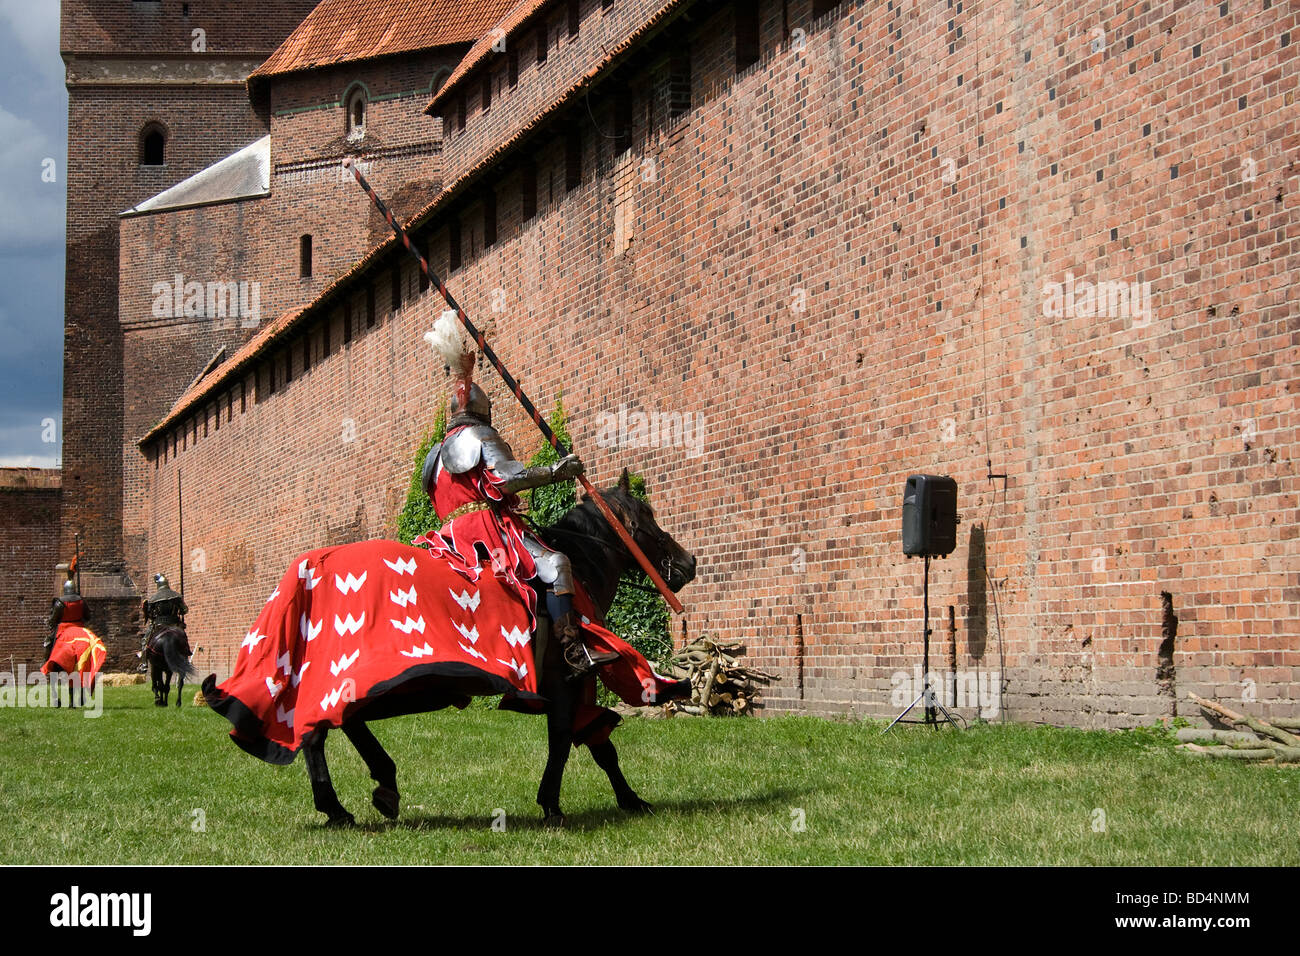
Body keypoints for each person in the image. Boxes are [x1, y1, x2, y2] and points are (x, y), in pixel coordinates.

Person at [417, 313, 618, 678]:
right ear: (484, 412)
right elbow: (510, 479)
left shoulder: (434, 454)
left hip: (448, 540)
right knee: (557, 564)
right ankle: (573, 650)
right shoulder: (479, 437)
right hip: (486, 533)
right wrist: (559, 471)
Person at [140, 573, 187, 671]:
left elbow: (149, 614)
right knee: (183, 638)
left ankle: (144, 664)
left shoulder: (153, 599)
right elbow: (185, 610)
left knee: (145, 641)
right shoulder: (176, 596)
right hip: (175, 624)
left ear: (158, 585)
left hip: (158, 624)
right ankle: (186, 654)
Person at [45, 578, 85, 662]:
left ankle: (47, 662)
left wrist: (51, 622)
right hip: (79, 627)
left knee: (48, 640)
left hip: (64, 628)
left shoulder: (60, 603)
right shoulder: (81, 601)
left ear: (65, 589)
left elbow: (53, 619)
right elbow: (88, 616)